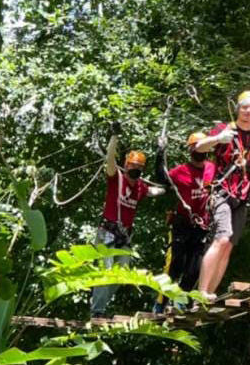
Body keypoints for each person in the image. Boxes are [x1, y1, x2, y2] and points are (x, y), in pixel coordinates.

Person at [194, 90, 250, 299]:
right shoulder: (225, 129)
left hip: (243, 195)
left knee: (228, 246)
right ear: (238, 109)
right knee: (222, 238)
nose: (248, 111)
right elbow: (199, 147)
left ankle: (210, 293)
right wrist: (218, 139)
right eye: (244, 107)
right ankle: (201, 291)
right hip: (222, 191)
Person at [90, 126, 165, 318]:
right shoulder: (116, 179)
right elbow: (110, 159)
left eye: (139, 167)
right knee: (107, 272)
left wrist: (168, 186)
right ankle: (97, 311)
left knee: (120, 276)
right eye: (132, 166)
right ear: (126, 165)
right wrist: (114, 136)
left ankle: (100, 304)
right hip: (107, 232)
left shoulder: (140, 187)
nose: (135, 170)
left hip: (124, 237)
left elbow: (155, 191)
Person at [152, 132, 217, 313]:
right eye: (195, 148)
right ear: (190, 150)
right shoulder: (180, 171)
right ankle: (161, 303)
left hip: (202, 227)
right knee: (175, 266)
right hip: (182, 225)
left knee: (195, 269)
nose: (199, 151)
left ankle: (180, 301)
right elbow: (162, 178)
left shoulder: (212, 168)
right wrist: (160, 153)